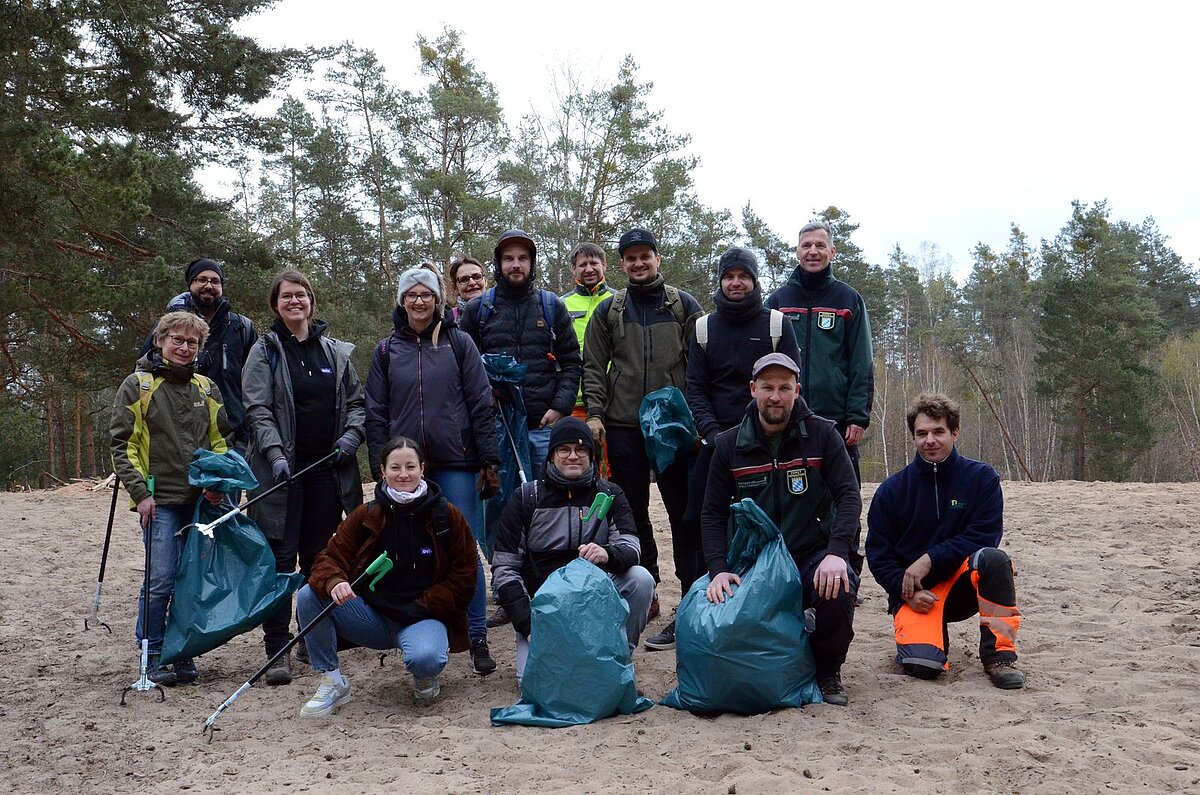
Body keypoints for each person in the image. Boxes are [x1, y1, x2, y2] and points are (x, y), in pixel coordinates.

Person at [644, 247, 802, 651]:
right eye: (728, 276)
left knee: (775, 521)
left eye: (743, 276)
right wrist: (714, 434)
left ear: (754, 281)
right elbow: (695, 387)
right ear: (719, 281)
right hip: (714, 444)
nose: (736, 283)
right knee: (694, 522)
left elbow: (790, 384)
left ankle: (773, 606)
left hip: (766, 443)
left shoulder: (776, 324)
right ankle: (690, 607)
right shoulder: (703, 327)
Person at [701, 353, 861, 706]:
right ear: (753, 389)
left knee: (839, 583)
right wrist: (718, 570)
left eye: (784, 388)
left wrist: (837, 553)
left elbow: (849, 496)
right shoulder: (728, 445)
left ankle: (827, 670)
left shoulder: (823, 434)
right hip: (753, 560)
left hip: (810, 554)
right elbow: (711, 514)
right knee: (712, 611)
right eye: (768, 387)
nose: (776, 396)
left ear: (797, 391)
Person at [365, 265, 500, 677]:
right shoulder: (387, 351)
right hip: (406, 465)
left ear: (438, 300)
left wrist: (489, 459)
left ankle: (477, 634)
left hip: (456, 460)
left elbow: (481, 402)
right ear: (402, 301)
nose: (419, 301)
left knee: (465, 547)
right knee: (406, 547)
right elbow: (375, 411)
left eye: (426, 294)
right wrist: (379, 465)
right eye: (412, 295)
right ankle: (416, 627)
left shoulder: (459, 345)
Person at [242, 269, 366, 686]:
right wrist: (275, 455)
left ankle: (313, 637)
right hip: (280, 478)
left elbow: (357, 403)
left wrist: (351, 437)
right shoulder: (265, 352)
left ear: (312, 300)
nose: (295, 302)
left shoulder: (335, 353)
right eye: (286, 297)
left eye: (301, 295)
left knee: (320, 558)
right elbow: (257, 409)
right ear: (275, 305)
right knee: (279, 561)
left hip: (326, 476)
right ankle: (276, 645)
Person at [297, 437, 478, 715]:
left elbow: (465, 576)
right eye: (395, 467)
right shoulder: (366, 514)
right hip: (372, 616)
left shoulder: (447, 515)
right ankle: (332, 681)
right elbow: (327, 559)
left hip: (423, 615)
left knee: (425, 658)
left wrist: (423, 604)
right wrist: (336, 581)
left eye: (410, 466)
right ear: (382, 471)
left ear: (422, 468)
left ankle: (425, 675)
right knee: (311, 594)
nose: (403, 474)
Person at [865, 393, 1025, 689]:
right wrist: (904, 591)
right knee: (923, 668)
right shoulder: (892, 490)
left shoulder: (982, 478)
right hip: (917, 595)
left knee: (994, 559)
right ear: (913, 437)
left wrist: (930, 559)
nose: (930, 440)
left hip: (965, 584)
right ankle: (931, 642)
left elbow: (984, 534)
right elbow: (878, 554)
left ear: (954, 432)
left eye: (938, 431)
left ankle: (1000, 656)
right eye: (922, 433)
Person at [582, 227, 703, 611]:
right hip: (624, 425)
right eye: (631, 258)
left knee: (682, 511)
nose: (638, 263)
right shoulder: (610, 310)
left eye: (644, 256)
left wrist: (698, 417)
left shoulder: (683, 305)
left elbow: (702, 366)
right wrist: (597, 414)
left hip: (673, 428)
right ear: (621, 264)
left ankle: (692, 592)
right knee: (632, 510)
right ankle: (647, 588)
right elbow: (593, 367)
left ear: (657, 259)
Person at [111, 310, 232, 685]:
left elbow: (221, 444)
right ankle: (152, 655)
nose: (183, 347)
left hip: (200, 502)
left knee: (190, 581)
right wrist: (140, 494)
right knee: (160, 579)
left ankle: (182, 653)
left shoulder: (206, 388)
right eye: (176, 339)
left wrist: (218, 484)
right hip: (159, 501)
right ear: (160, 340)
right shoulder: (139, 385)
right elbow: (122, 443)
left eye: (191, 342)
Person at [491, 417, 654, 682]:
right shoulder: (526, 498)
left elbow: (632, 548)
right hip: (544, 609)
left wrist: (608, 554)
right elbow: (505, 569)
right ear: (552, 455)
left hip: (593, 600)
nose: (572, 456)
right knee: (530, 683)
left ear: (591, 456)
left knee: (640, 579)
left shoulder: (610, 494)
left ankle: (619, 655)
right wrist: (528, 626)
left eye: (581, 450)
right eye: (564, 450)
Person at [458, 229, 581, 473]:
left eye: (523, 258)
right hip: (496, 430)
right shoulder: (477, 310)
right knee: (501, 506)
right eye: (508, 259)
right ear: (498, 263)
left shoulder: (551, 306)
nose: (516, 265)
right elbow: (461, 368)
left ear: (532, 263)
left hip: (543, 427)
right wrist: (484, 396)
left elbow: (571, 362)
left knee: (547, 502)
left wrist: (560, 406)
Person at [765, 220, 873, 483]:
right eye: (806, 245)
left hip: (835, 420)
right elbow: (760, 361)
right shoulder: (777, 302)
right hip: (786, 417)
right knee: (792, 494)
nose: (813, 251)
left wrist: (857, 417)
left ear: (832, 252)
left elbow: (862, 362)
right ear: (797, 251)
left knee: (843, 494)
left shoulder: (849, 300)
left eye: (820, 245)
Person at [138, 258, 256, 451]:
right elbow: (144, 370)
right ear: (190, 284)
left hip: (233, 438)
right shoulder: (168, 326)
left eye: (215, 281)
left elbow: (255, 383)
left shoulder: (242, 328)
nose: (208, 285)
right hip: (180, 438)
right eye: (201, 280)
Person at [448, 255, 488, 322]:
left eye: (477, 277)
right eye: (464, 279)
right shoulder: (449, 319)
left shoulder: (503, 310)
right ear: (455, 287)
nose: (472, 283)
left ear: (485, 281)